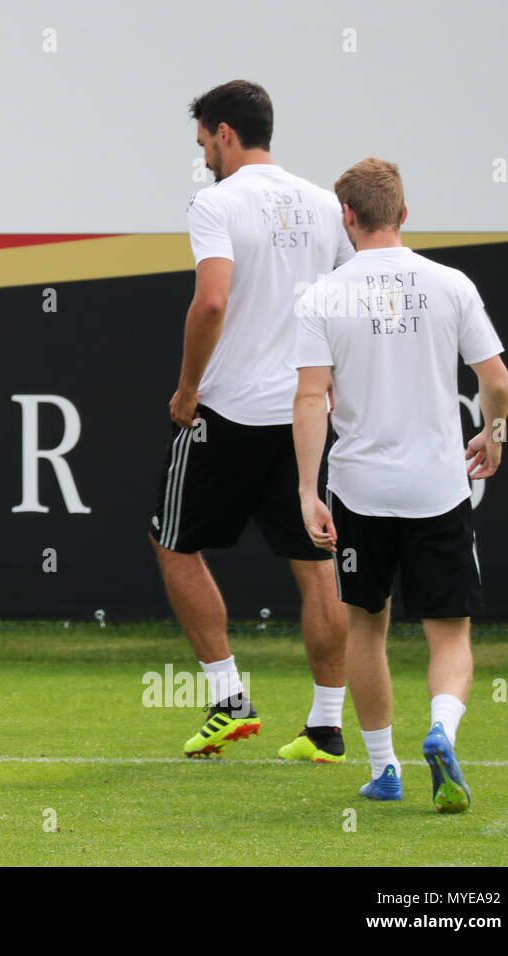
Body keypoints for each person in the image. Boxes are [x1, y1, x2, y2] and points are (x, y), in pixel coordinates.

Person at [294, 157, 508, 811]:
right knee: (449, 632)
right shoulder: (450, 284)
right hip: (436, 489)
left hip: (361, 490)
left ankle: (386, 770)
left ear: (347, 218)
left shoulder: (322, 294)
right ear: (404, 214)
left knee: (366, 627)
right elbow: (496, 382)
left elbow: (310, 399)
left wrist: (307, 491)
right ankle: (441, 730)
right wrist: (493, 435)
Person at [149, 80, 353, 760]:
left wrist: (187, 388)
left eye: (205, 140)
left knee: (173, 542)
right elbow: (350, 303)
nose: (204, 153)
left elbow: (210, 304)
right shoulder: (327, 205)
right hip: (305, 415)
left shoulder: (215, 201)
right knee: (315, 565)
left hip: (230, 409)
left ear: (226, 133)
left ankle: (229, 697)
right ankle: (325, 726)